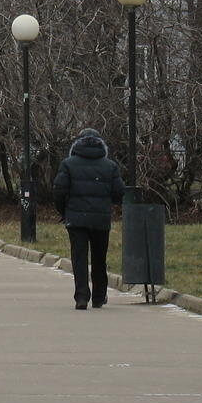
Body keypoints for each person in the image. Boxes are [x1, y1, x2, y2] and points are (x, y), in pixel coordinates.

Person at [53, 127, 126, 310]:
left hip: (76, 220)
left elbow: (59, 191)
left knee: (79, 257)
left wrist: (65, 211)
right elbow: (119, 192)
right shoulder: (110, 166)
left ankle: (82, 297)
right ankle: (100, 297)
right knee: (99, 257)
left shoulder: (68, 164)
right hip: (101, 219)